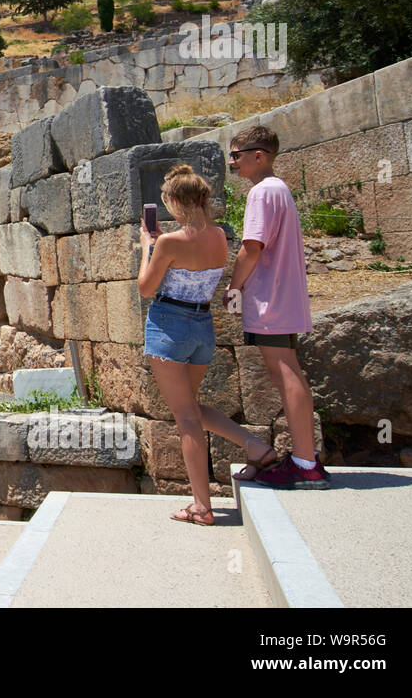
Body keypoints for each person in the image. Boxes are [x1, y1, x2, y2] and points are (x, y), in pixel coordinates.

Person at [137, 164, 279, 525]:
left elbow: (145, 287)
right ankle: (256, 446)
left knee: (186, 418)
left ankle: (201, 505)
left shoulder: (169, 241)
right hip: (202, 328)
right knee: (193, 409)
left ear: (174, 201)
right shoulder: (218, 236)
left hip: (169, 326)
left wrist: (147, 248)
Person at [225, 126, 330, 489]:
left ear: (260, 155)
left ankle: (305, 464)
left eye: (237, 155)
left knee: (285, 371)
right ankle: (305, 456)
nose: (232, 162)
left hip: (271, 297)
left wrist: (234, 285)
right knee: (289, 372)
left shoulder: (262, 193)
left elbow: (251, 247)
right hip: (284, 295)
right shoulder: (280, 190)